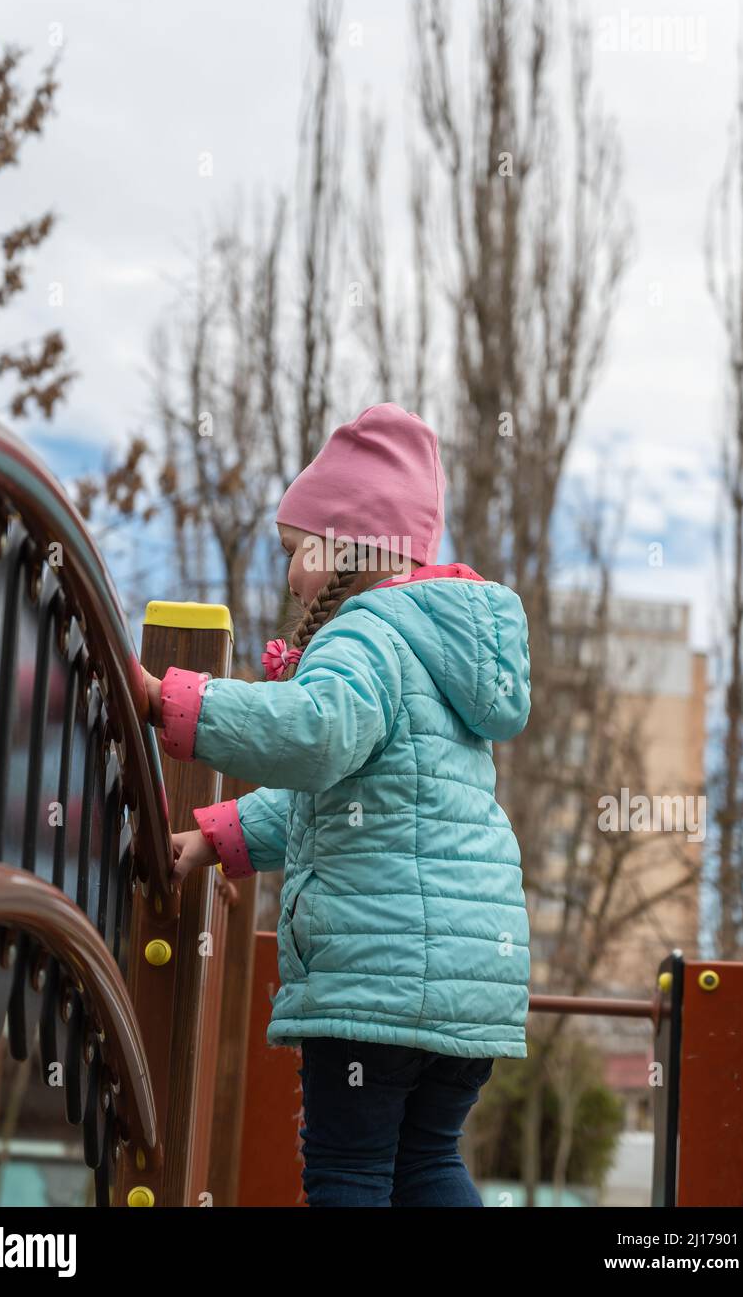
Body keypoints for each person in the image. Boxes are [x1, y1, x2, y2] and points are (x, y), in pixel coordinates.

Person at [141, 402, 531, 1207]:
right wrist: (220, 837)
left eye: (296, 552)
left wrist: (173, 703)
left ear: (352, 546)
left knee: (349, 1170)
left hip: (375, 973)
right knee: (427, 1161)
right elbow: (347, 798)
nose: (288, 577)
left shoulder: (366, 635)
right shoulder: (442, 653)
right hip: (469, 979)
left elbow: (313, 737)